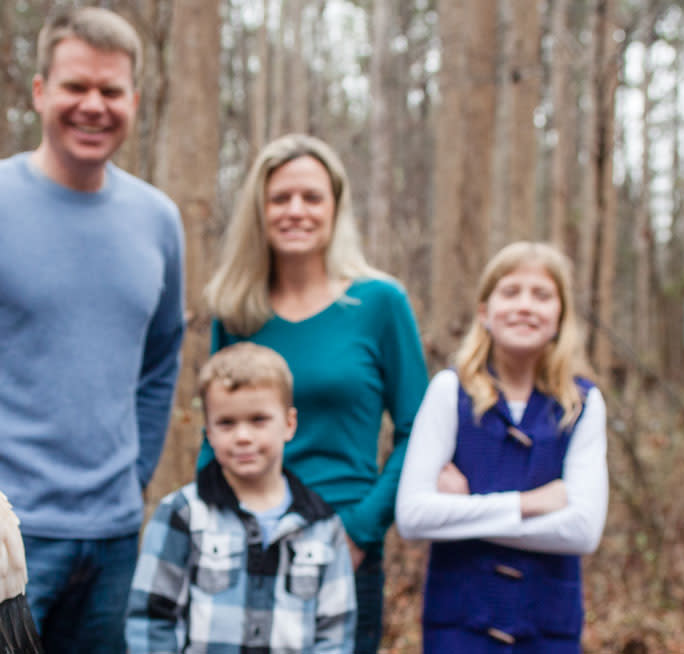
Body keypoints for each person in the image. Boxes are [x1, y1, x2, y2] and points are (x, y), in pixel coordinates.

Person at [0, 7, 185, 653]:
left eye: (110, 90)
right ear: (41, 90)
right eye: (76, 86)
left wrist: (132, 480)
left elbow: (159, 365)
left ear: (134, 99)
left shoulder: (158, 222)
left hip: (113, 539)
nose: (93, 106)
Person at [195, 133, 429, 654]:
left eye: (311, 197)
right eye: (280, 198)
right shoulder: (237, 309)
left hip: (342, 544)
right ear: (259, 210)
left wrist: (360, 531)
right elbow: (215, 431)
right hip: (244, 544)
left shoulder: (379, 303)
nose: (295, 211)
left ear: (336, 208)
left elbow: (419, 429)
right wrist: (209, 521)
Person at [395, 241, 608, 653]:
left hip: (547, 626)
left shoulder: (583, 403)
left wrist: (463, 510)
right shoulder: (448, 391)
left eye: (542, 295)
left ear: (560, 314)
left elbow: (582, 531)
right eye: (510, 292)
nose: (525, 306)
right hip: (459, 623)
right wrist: (530, 503)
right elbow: (413, 516)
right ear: (484, 312)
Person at [127, 342, 357, 654]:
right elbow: (151, 621)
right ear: (208, 430)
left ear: (289, 424)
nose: (243, 436)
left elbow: (335, 636)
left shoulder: (323, 526)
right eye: (226, 423)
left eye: (258, 419)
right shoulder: (182, 515)